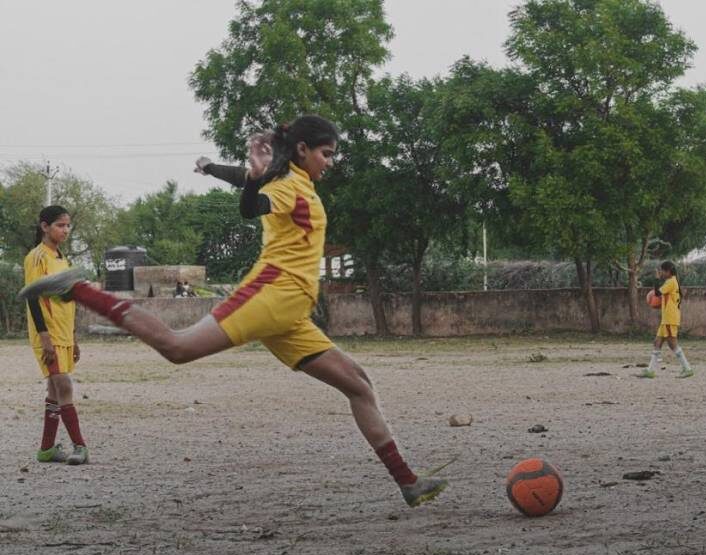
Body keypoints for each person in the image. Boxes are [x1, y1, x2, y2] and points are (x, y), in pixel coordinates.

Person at [20, 115, 447, 507]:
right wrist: (252, 181)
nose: (330, 162)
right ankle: (82, 291)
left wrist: (213, 169)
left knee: (358, 385)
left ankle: (408, 482)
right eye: (326, 153)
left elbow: (245, 178)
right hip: (272, 294)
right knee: (177, 347)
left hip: (292, 314)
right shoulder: (287, 186)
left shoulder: (292, 179)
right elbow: (251, 204)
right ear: (302, 150)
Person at [24, 206, 88, 465]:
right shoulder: (36, 257)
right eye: (60, 225)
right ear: (44, 227)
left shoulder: (63, 259)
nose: (66, 230)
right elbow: (31, 296)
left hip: (64, 333)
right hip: (47, 335)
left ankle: (47, 450)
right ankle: (80, 446)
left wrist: (73, 337)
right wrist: (45, 336)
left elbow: (68, 300)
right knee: (64, 385)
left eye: (68, 226)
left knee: (53, 389)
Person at [638, 261, 693, 379]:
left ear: (668, 271)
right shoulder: (672, 282)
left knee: (673, 344)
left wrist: (657, 279)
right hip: (667, 318)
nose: (661, 273)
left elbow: (657, 293)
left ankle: (687, 368)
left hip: (670, 318)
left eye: (662, 271)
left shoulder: (671, 282)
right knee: (657, 342)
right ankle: (650, 370)